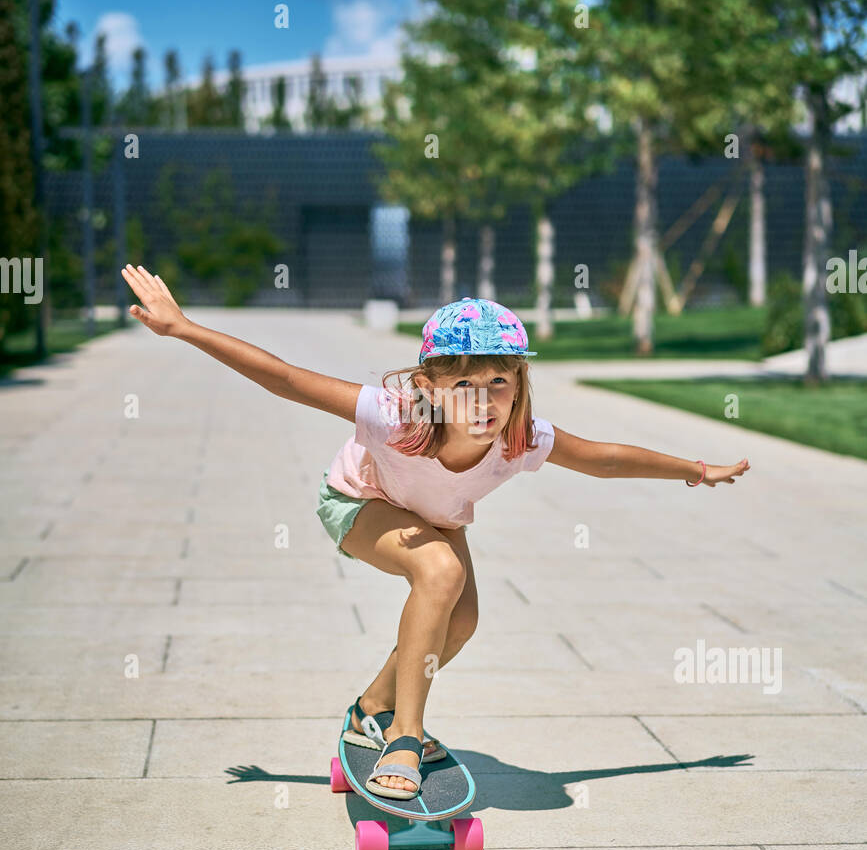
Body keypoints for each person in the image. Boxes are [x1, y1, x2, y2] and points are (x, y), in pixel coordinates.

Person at [120, 267, 751, 802]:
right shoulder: (394, 416)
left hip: (435, 519)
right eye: (464, 384)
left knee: (461, 621)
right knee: (441, 575)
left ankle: (369, 710)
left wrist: (694, 470)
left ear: (519, 386)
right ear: (428, 388)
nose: (484, 401)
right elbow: (286, 379)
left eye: (499, 383)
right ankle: (403, 737)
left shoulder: (520, 437)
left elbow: (602, 457)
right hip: (356, 503)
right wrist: (184, 327)